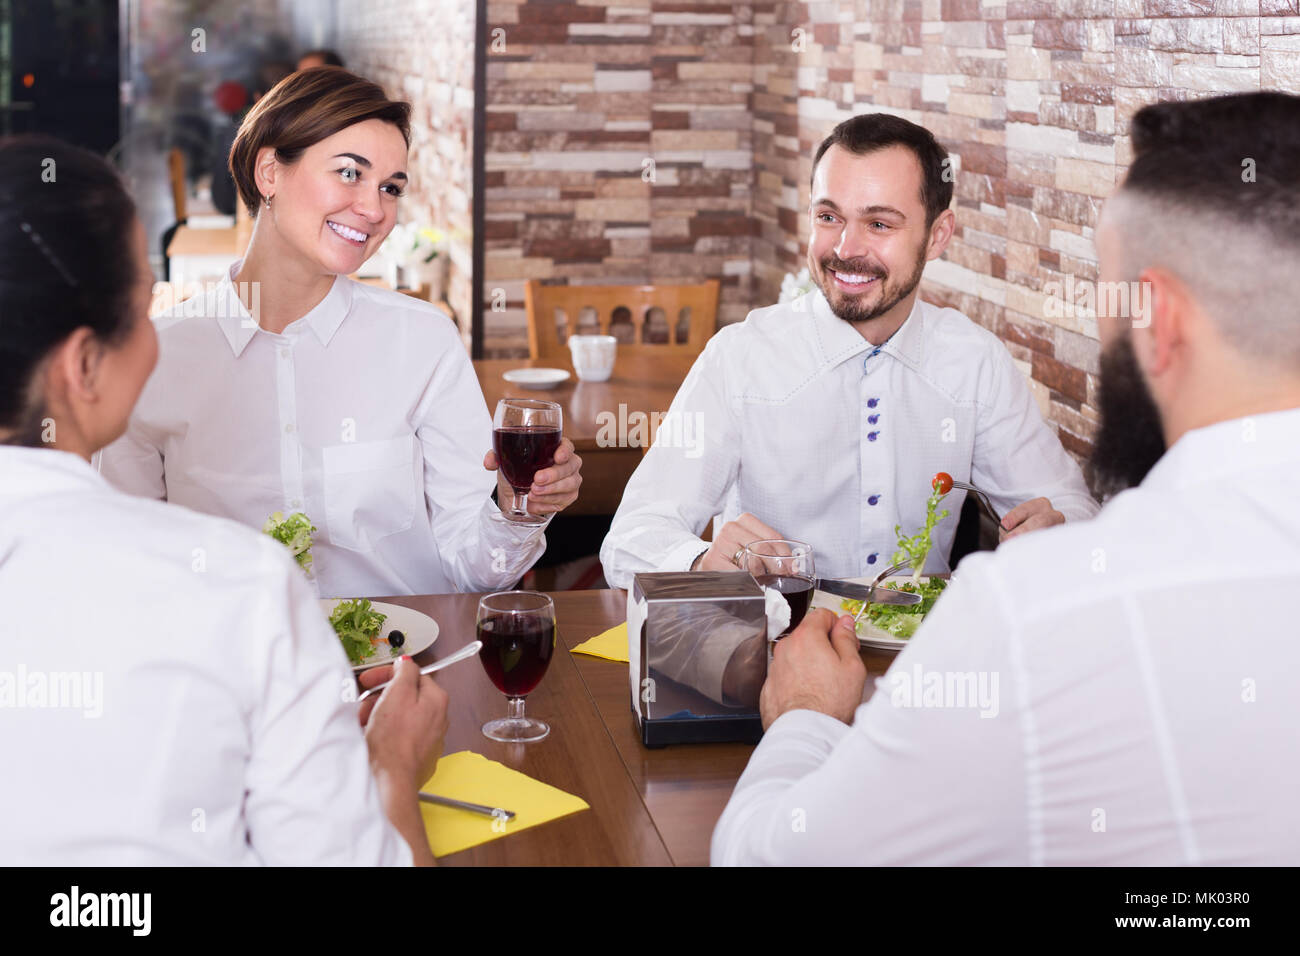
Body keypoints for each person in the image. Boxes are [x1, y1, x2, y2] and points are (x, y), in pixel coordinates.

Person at [711, 91, 1300, 866]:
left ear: (1160, 321)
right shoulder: (747, 357)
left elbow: (767, 859)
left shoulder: (1028, 617)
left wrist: (803, 719)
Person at [0, 135, 447, 865]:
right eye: (145, 304)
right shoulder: (240, 588)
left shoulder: (416, 339)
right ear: (83, 365)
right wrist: (393, 765)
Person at [98, 69, 583, 598]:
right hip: (235, 669)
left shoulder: (423, 341)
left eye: (390, 188)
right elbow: (125, 559)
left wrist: (518, 509)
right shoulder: (157, 354)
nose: (375, 210)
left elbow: (474, 569)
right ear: (270, 172)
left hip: (409, 663)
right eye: (350, 173)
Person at [601, 113, 1098, 590]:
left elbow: (1072, 510)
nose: (845, 247)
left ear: (938, 235)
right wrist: (699, 561)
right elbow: (629, 541)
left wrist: (1056, 532)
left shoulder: (976, 364)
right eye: (828, 216)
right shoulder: (740, 358)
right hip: (772, 658)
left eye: (879, 224)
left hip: (919, 663)